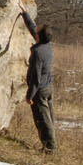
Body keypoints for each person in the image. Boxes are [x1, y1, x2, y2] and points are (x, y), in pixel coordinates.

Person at [26, 24, 56, 152]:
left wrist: (30, 95)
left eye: (37, 32)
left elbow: (36, 78)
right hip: (48, 86)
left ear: (39, 37)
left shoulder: (38, 52)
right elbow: (34, 29)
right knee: (49, 116)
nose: (35, 31)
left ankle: (50, 148)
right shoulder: (47, 45)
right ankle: (50, 144)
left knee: (43, 119)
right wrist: (24, 12)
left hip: (40, 89)